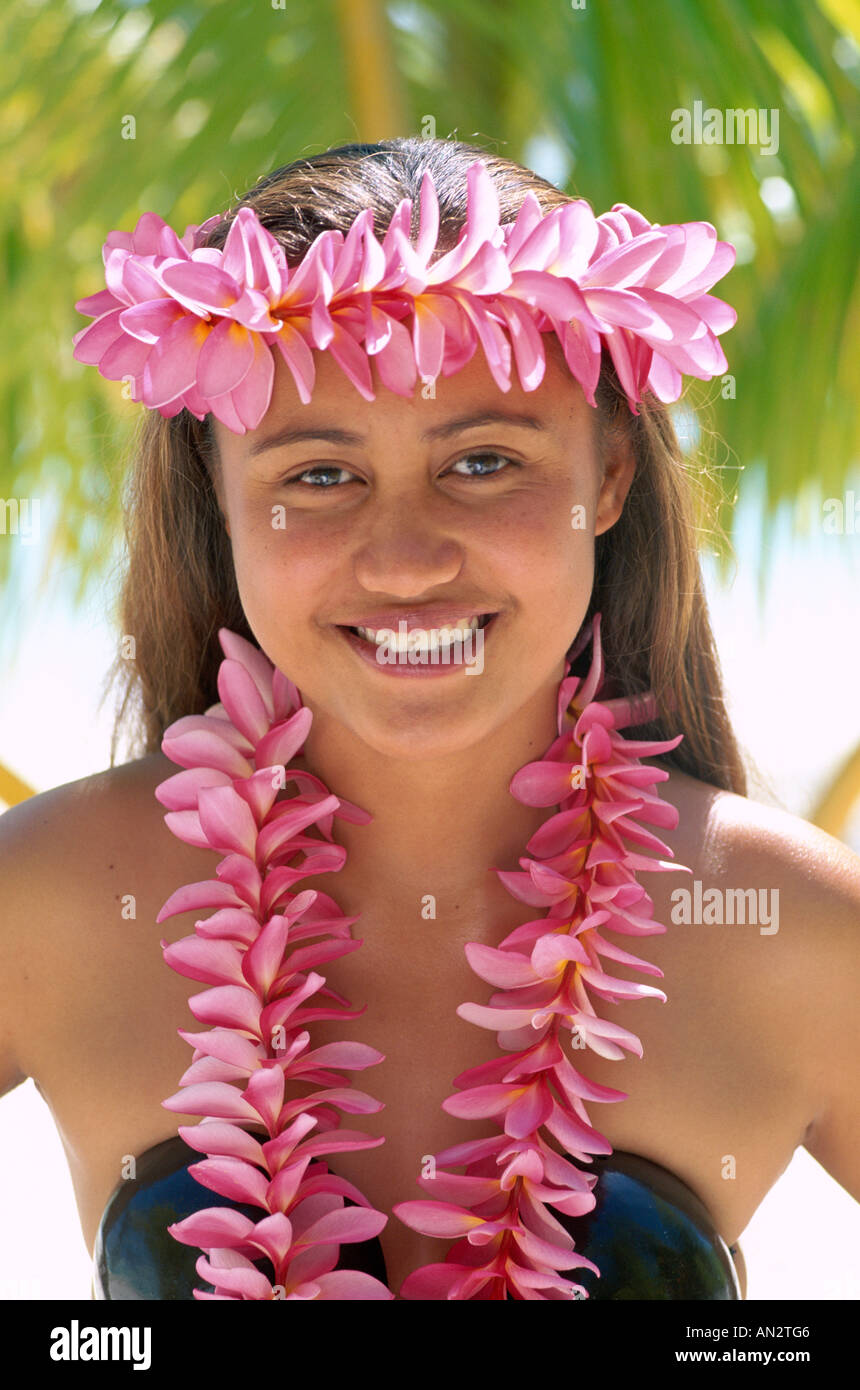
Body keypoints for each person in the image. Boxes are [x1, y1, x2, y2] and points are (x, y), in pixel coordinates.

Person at [1, 137, 858, 1301]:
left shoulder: (796, 934)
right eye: (316, 476)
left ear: (605, 474)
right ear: (220, 493)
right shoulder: (41, 902)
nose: (404, 559)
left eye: (484, 459)